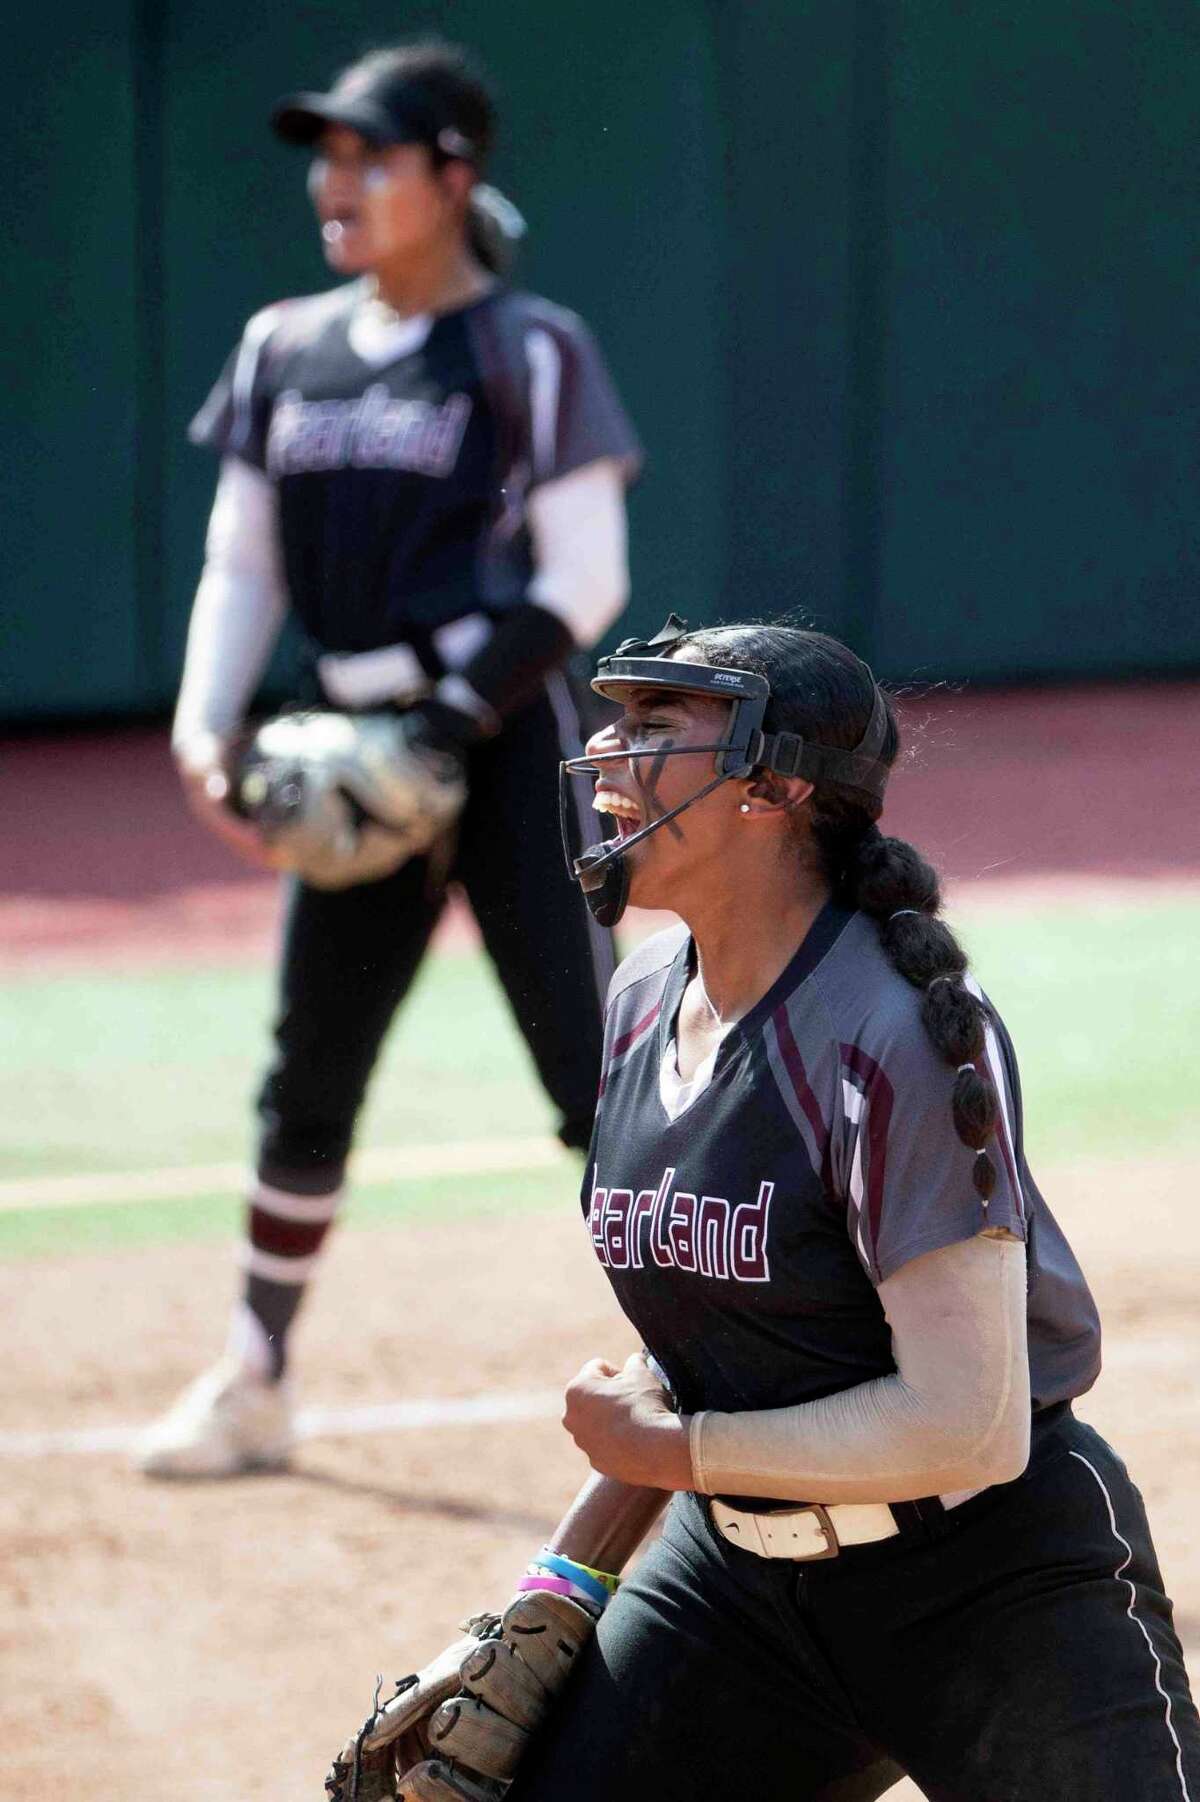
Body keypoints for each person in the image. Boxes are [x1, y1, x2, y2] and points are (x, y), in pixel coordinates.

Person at [485, 616, 1198, 1800]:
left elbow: (970, 1422)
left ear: (770, 787)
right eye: (617, 717)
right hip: (736, 1588)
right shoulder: (646, 997)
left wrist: (677, 1450)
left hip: (984, 1580)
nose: (609, 750)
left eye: (658, 724)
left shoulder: (889, 1031)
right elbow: (704, 1353)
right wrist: (564, 1579)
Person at [136, 40, 640, 1478]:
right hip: (346, 748)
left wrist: (443, 722)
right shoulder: (280, 345)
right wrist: (203, 726)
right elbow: (243, 564)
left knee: (595, 1075)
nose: (334, 181)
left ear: (454, 174)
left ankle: (731, 1363)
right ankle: (253, 1376)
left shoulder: (529, 348)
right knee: (311, 1068)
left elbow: (583, 578)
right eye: (328, 153)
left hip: (499, 737)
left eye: (372, 155)